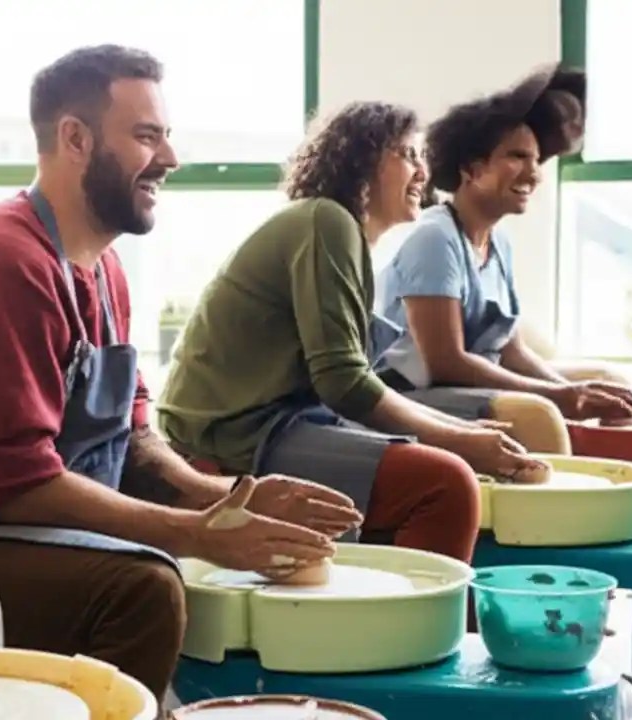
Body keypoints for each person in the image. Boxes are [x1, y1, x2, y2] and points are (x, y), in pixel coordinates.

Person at [0, 45, 359, 708]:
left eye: (167, 136)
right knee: (147, 588)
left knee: (195, 572)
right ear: (75, 138)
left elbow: (130, 434)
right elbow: (8, 484)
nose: (170, 159)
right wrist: (190, 533)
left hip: (32, 527)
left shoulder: (105, 270)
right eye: (147, 136)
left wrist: (219, 498)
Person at [157, 101, 546, 568]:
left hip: (282, 418)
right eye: (407, 154)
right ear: (361, 159)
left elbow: (347, 380)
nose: (423, 171)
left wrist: (458, 430)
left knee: (442, 466)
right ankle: (413, 634)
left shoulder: (347, 236)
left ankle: (423, 616)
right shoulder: (326, 221)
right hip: (234, 431)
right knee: (447, 483)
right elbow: (343, 382)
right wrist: (455, 439)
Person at [374, 64, 632, 454]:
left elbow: (511, 351)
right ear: (471, 168)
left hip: (467, 385)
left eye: (536, 160)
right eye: (517, 157)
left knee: (609, 381)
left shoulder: (499, 246)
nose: (533, 174)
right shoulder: (435, 238)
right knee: (540, 413)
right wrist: (560, 398)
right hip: (414, 395)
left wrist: (571, 391)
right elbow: (446, 363)